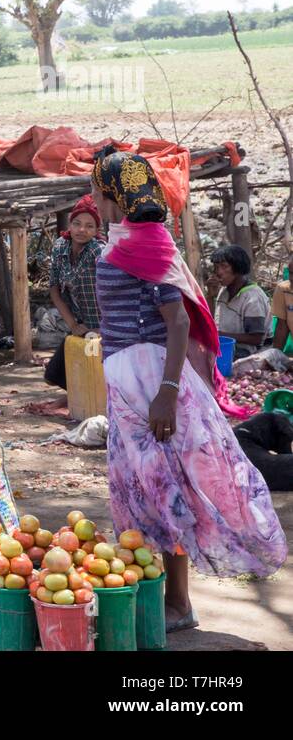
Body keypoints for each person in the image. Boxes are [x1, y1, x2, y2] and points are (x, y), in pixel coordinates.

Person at [90, 145, 285, 632]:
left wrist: (167, 392)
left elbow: (176, 322)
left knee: (165, 490)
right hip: (126, 382)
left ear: (111, 192)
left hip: (155, 382)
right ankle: (162, 600)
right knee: (139, 492)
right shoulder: (120, 240)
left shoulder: (148, 242)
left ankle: (178, 603)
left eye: (94, 188)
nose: (89, 196)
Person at [44, 194, 104, 390]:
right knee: (53, 375)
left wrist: (104, 327)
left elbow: (114, 291)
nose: (81, 230)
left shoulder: (98, 252)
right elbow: (54, 289)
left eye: (89, 226)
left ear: (96, 231)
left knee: (95, 379)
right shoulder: (60, 247)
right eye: (77, 223)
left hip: (104, 326)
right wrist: (73, 324)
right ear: (70, 224)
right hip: (79, 325)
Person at [206, 244, 270, 359]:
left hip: (252, 352)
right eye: (216, 267)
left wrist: (218, 335)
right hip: (229, 347)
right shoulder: (224, 292)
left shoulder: (253, 297)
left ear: (238, 268)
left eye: (224, 266)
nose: (218, 272)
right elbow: (211, 322)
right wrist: (210, 296)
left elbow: (256, 339)